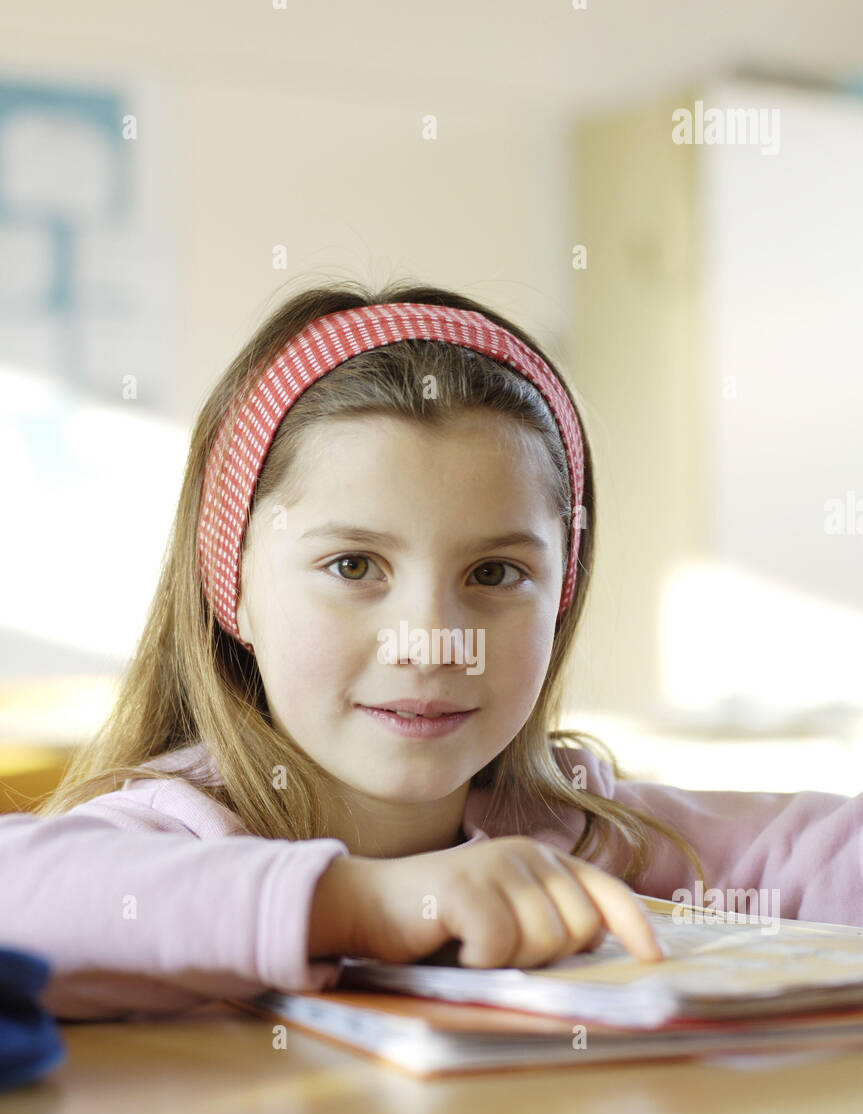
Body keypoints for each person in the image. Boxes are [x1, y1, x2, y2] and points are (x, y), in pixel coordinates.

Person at [2, 281, 860, 1022]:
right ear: (232, 586)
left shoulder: (590, 835)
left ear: (561, 596)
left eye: (493, 572)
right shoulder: (176, 827)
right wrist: (368, 906)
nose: (429, 642)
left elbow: (829, 852)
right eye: (352, 566)